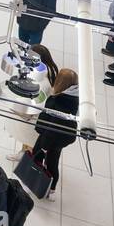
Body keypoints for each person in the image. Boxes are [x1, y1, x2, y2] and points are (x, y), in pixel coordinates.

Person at [30, 69, 79, 200]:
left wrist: (44, 147)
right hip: (64, 136)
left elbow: (52, 128)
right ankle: (52, 190)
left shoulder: (58, 101)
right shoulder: (76, 96)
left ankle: (32, 182)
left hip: (50, 136)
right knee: (53, 162)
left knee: (37, 157)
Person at [6, 44, 59, 161]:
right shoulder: (49, 71)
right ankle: (23, 154)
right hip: (32, 114)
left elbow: (35, 103)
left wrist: (23, 115)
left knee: (28, 140)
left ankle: (25, 158)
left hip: (32, 117)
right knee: (27, 140)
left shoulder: (42, 83)